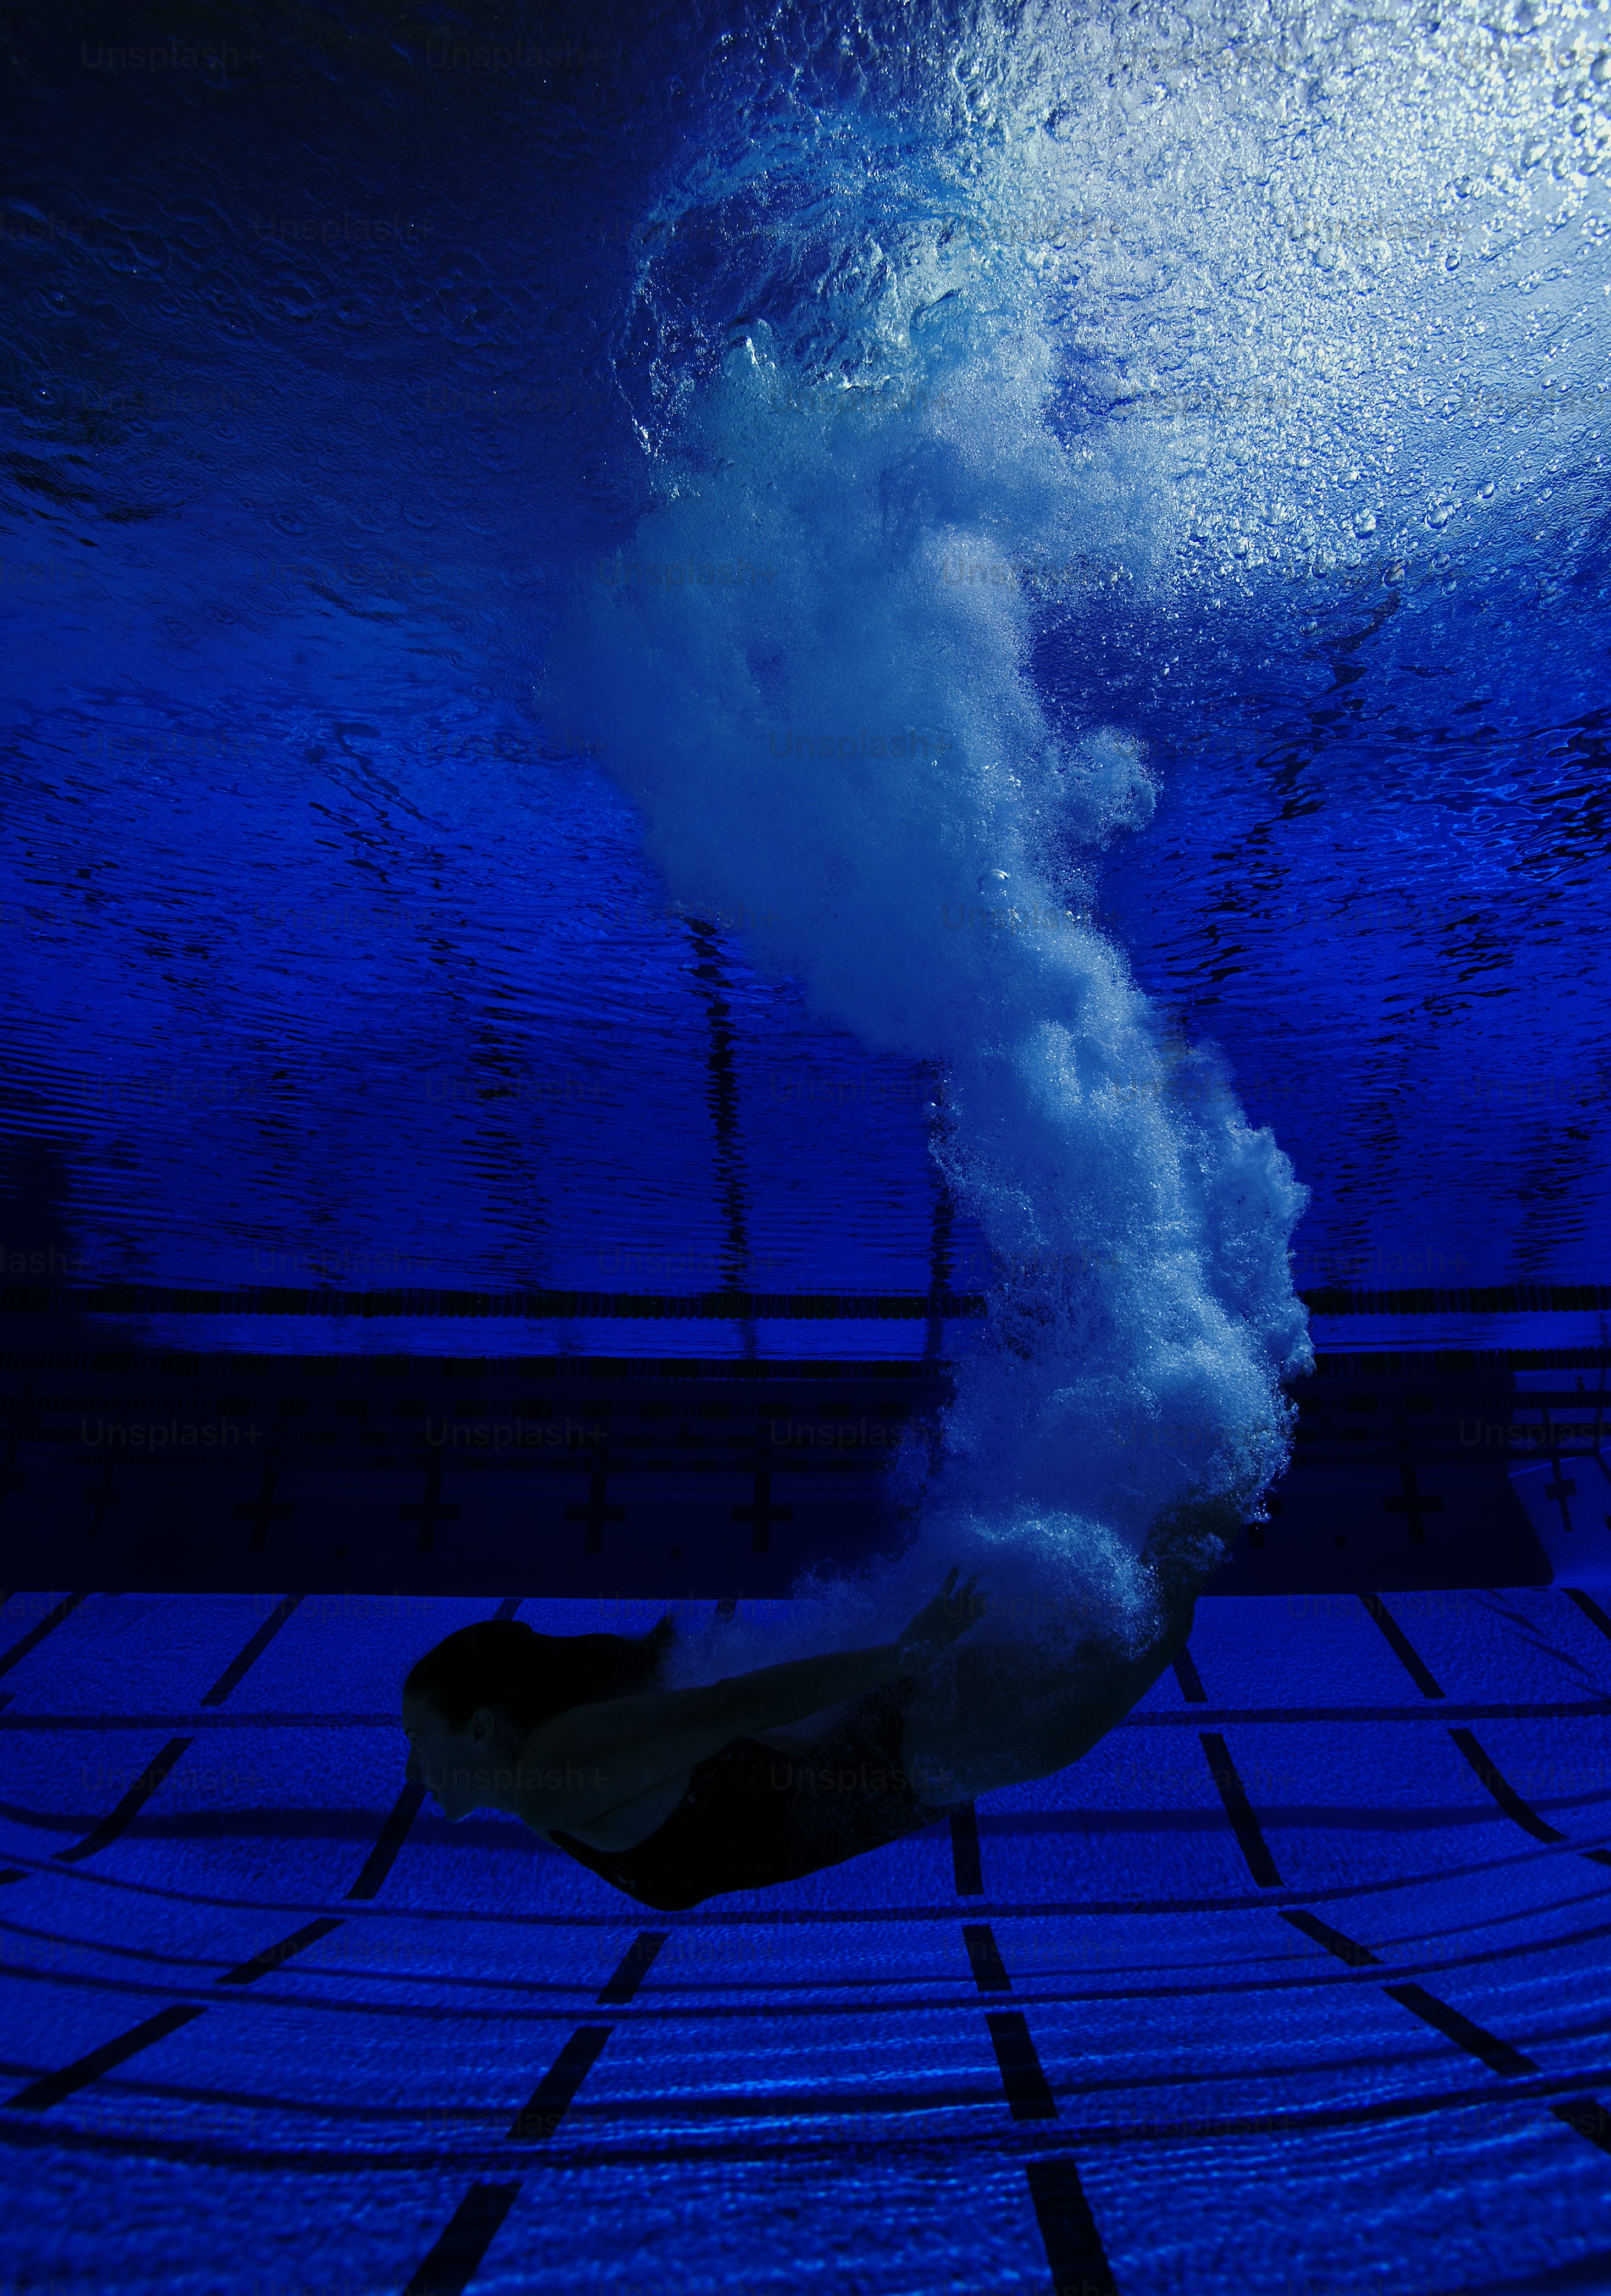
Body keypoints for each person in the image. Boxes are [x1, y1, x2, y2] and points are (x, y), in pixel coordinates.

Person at [400, 1522, 1213, 1912]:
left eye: (417, 1738)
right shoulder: (547, 1800)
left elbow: (734, 1705)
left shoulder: (551, 1782)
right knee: (1146, 1608)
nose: (412, 1769)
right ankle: (1209, 1443)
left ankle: (1234, 1427)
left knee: (1156, 1614)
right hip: (911, 1756)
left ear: (479, 1727)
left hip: (916, 1747)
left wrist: (906, 1656)